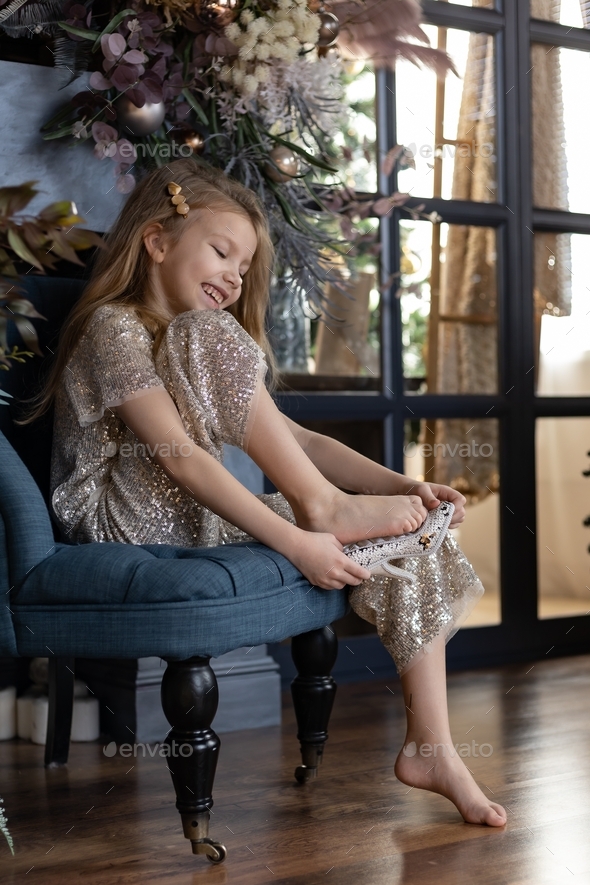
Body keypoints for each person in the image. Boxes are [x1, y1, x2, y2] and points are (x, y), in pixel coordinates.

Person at [23, 158, 506, 827]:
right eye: (221, 251)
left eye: (245, 265)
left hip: (191, 520)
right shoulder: (114, 326)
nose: (233, 274)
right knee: (210, 335)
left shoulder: (186, 336)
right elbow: (185, 460)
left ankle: (432, 746)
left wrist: (402, 483)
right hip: (118, 524)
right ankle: (325, 507)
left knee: (403, 533)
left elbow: (300, 442)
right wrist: (303, 538)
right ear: (156, 240)